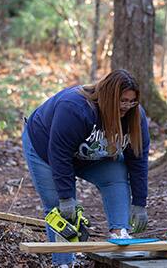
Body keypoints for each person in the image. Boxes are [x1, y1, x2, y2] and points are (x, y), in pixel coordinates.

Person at [21, 69, 150, 267]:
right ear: (108, 96)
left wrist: (140, 203)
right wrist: (66, 197)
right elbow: (59, 154)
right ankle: (63, 262)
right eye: (123, 101)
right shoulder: (76, 107)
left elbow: (138, 160)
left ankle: (120, 235)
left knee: (116, 175)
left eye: (132, 101)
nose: (127, 106)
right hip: (46, 148)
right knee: (60, 209)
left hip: (89, 153)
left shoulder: (135, 116)